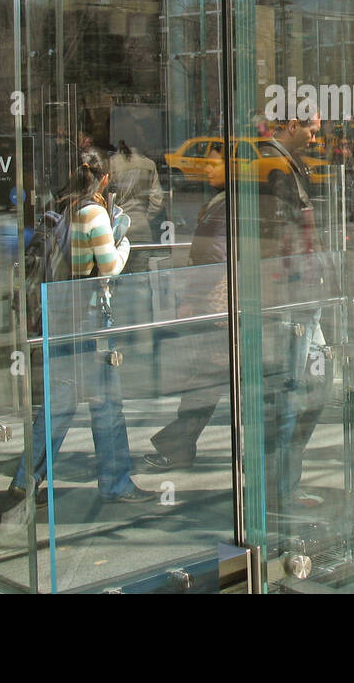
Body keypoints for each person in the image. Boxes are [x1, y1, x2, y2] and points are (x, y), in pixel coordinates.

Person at [4, 151, 153, 516]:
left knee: (59, 405)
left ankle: (26, 479)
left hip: (60, 316)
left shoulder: (63, 210)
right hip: (88, 320)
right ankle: (116, 483)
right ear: (103, 180)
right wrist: (125, 243)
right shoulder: (93, 213)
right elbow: (108, 269)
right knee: (107, 405)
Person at [260, 115, 334, 509]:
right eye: (312, 129)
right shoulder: (273, 166)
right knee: (291, 391)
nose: (315, 137)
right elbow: (284, 232)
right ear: (291, 123)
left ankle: (285, 484)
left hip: (303, 290)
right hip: (293, 293)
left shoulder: (284, 163)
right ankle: (280, 490)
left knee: (314, 383)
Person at [144, 146, 229, 470]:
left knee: (207, 378)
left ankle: (178, 445)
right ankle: (179, 445)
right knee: (211, 378)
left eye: (213, 164)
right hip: (218, 301)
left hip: (217, 302)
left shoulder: (225, 204)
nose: (207, 169)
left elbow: (213, 256)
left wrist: (192, 297)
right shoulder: (221, 201)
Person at [109, 141, 165, 273]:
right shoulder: (148, 164)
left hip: (119, 231)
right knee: (140, 279)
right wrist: (145, 217)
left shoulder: (111, 163)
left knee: (117, 280)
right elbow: (157, 199)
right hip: (142, 230)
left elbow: (107, 198)